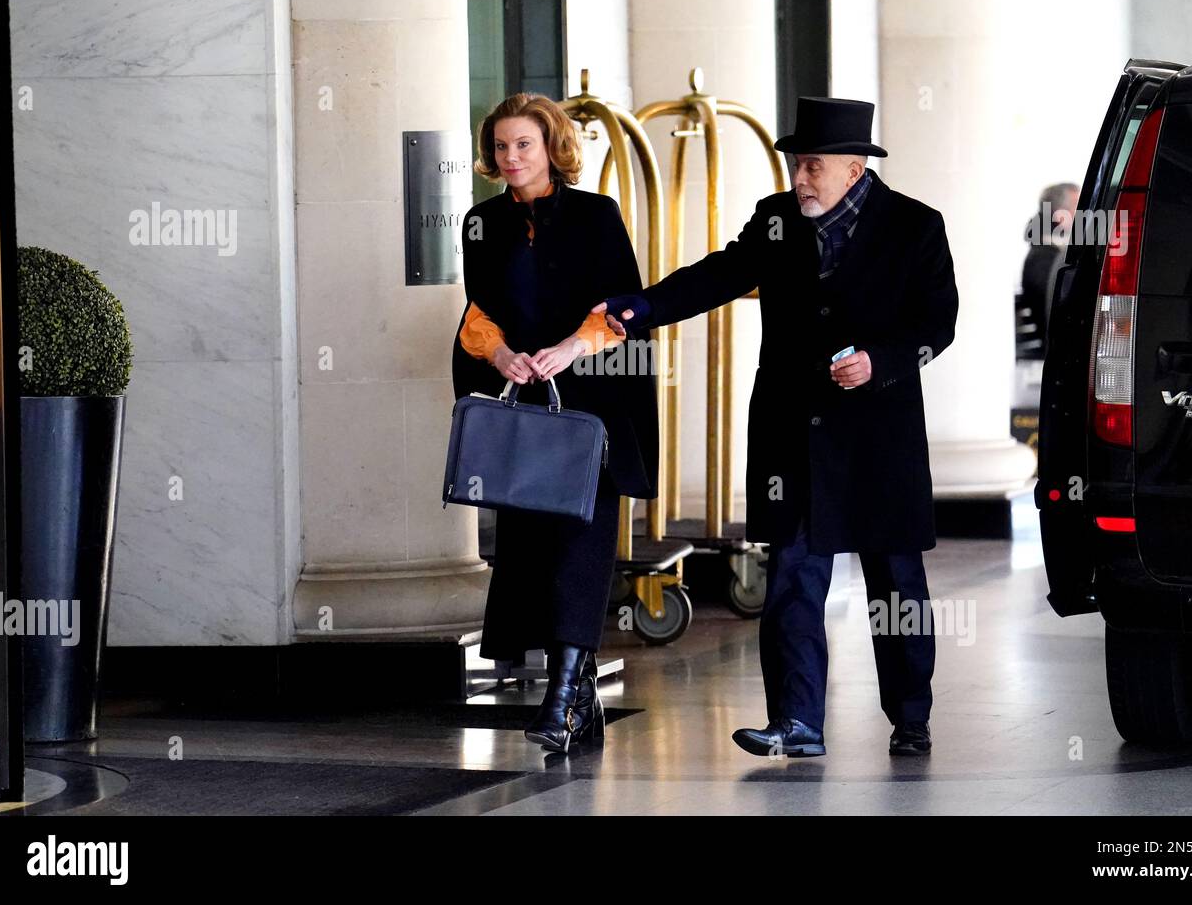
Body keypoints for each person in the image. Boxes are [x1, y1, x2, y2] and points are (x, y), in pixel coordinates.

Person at [594, 97, 957, 757]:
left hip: (880, 441)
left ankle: (911, 714)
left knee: (896, 583)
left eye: (814, 166)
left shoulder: (914, 226)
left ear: (854, 168)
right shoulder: (777, 220)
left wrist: (881, 362)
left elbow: (938, 325)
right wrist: (644, 306)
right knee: (791, 572)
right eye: (797, 165)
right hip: (794, 436)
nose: (801, 178)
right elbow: (722, 274)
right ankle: (797, 721)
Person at [452, 93, 658, 753]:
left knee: (582, 544)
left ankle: (561, 700)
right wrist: (500, 352)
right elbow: (477, 312)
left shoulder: (597, 216)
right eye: (503, 146)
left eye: (524, 145)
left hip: (593, 404)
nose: (511, 158)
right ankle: (582, 698)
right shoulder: (481, 222)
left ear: (551, 149)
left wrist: (572, 346)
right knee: (534, 551)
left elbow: (623, 309)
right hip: (526, 411)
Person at [1018, 182, 1077, 358]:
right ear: (1060, 216)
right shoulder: (1044, 258)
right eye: (1077, 206)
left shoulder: (1049, 251)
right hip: (1063, 348)